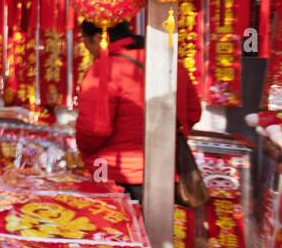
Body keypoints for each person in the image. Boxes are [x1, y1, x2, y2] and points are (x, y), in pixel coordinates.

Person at [75, 20, 202, 202]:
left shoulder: (105, 69)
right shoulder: (170, 64)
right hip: (164, 169)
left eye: (86, 42)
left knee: (116, 227)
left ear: (99, 38)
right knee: (158, 229)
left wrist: (84, 150)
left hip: (111, 171)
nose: (88, 50)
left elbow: (94, 129)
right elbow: (192, 113)